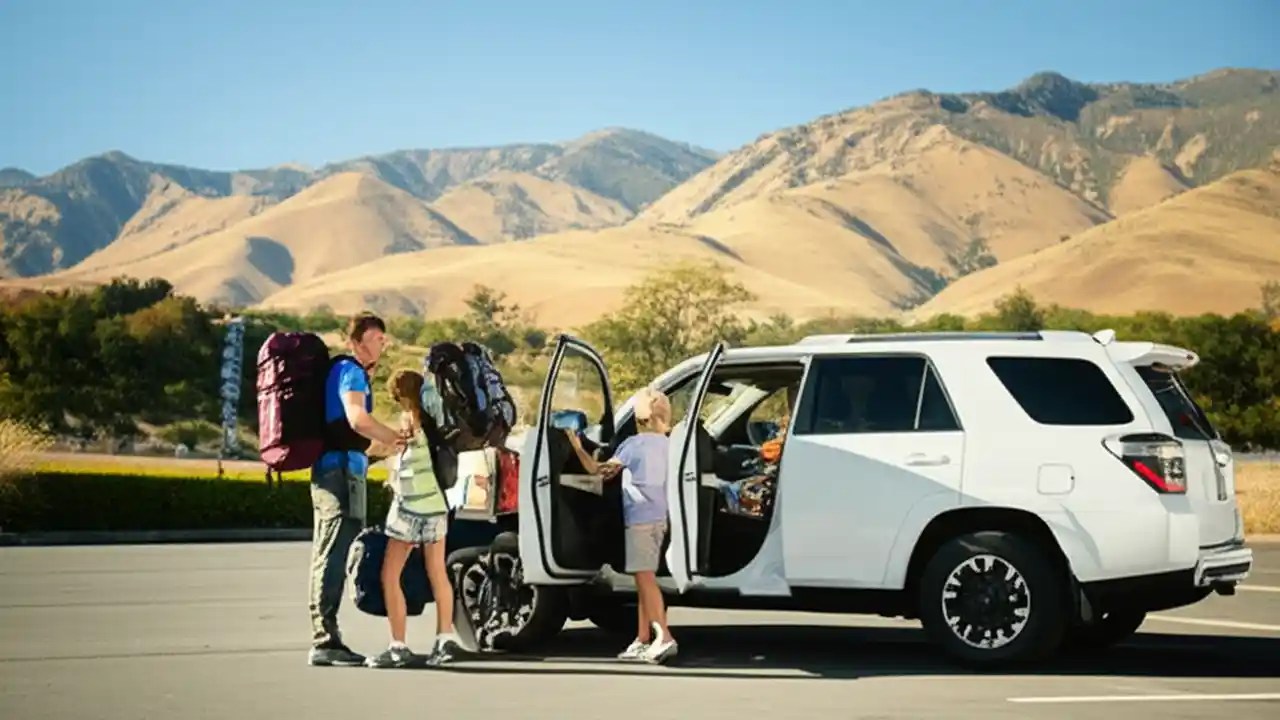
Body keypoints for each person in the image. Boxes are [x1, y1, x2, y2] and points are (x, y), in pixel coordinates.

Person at [307, 312, 408, 667]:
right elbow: (357, 420)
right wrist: (393, 437)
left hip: (340, 469)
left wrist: (385, 446)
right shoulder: (350, 371)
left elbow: (353, 435)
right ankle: (325, 639)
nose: (383, 343)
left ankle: (327, 636)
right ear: (358, 341)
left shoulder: (349, 372)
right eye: (377, 337)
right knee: (333, 553)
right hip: (339, 475)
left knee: (332, 550)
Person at [565, 387, 678, 664]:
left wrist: (578, 446)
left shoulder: (632, 446)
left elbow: (597, 472)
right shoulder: (670, 444)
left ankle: (663, 635)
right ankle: (642, 638)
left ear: (638, 419)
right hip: (661, 518)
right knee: (645, 578)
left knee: (645, 579)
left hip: (639, 518)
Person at [365, 369, 462, 668]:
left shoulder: (407, 421)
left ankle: (398, 646)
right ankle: (444, 640)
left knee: (390, 575)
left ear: (399, 395)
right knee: (438, 574)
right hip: (435, 506)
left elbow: (390, 447)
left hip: (408, 509)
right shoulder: (436, 425)